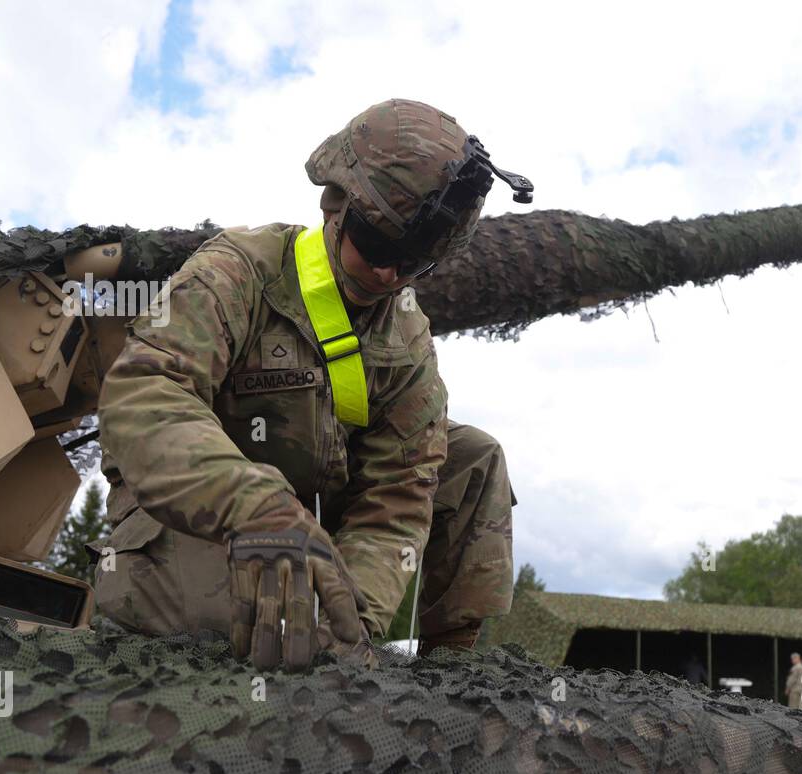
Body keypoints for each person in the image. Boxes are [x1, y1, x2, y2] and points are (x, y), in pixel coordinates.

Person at [93, 99, 530, 668]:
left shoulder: (406, 335)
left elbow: (397, 493)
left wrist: (353, 621)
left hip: (306, 530)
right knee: (239, 638)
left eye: (416, 258)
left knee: (472, 456)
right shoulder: (237, 271)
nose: (388, 273)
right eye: (377, 245)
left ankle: (452, 675)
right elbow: (145, 396)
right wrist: (253, 505)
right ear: (335, 202)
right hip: (194, 509)